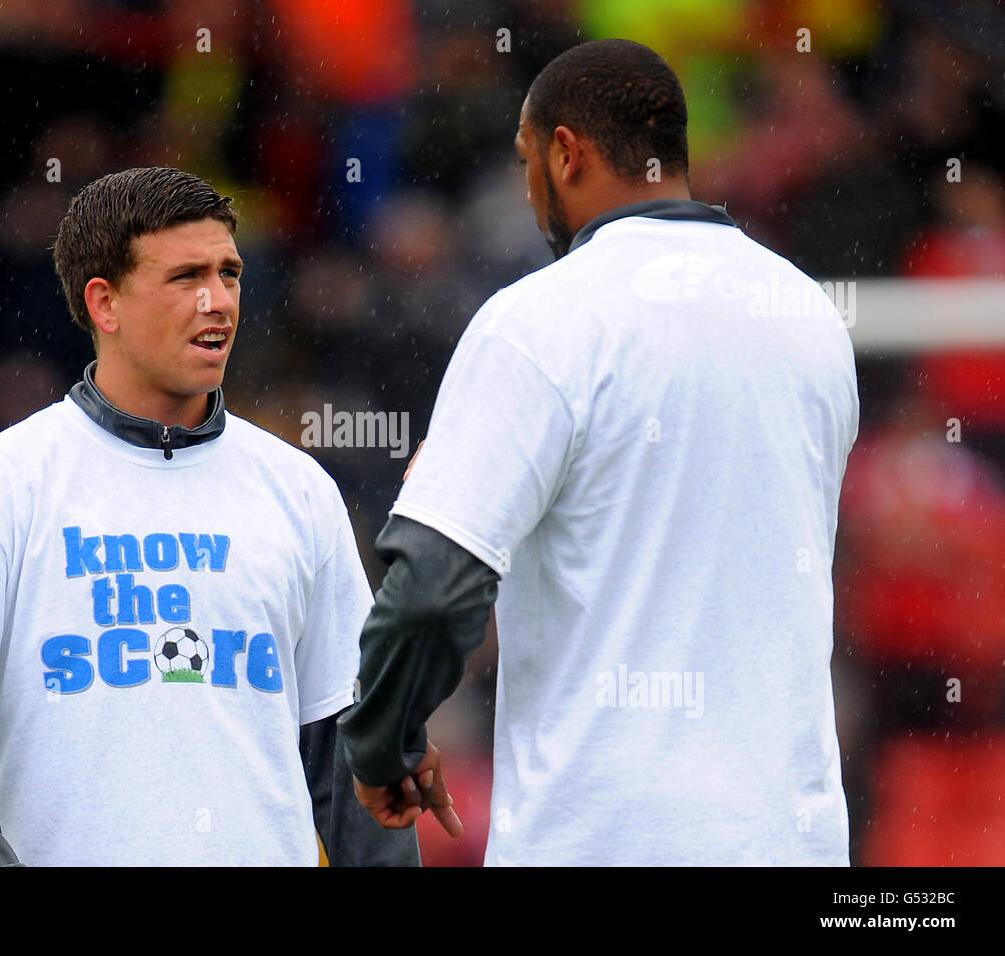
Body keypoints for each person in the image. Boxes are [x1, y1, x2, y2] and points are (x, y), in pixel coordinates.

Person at [337, 39, 859, 865]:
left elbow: (435, 591)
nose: (528, 186)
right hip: (789, 839)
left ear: (564, 151)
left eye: (525, 160)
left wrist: (380, 744)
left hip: (604, 836)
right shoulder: (808, 315)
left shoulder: (539, 320)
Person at [0, 166, 419, 867]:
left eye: (230, 273)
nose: (218, 301)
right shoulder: (0, 485)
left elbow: (353, 748)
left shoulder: (299, 489)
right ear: (105, 304)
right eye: (186, 277)